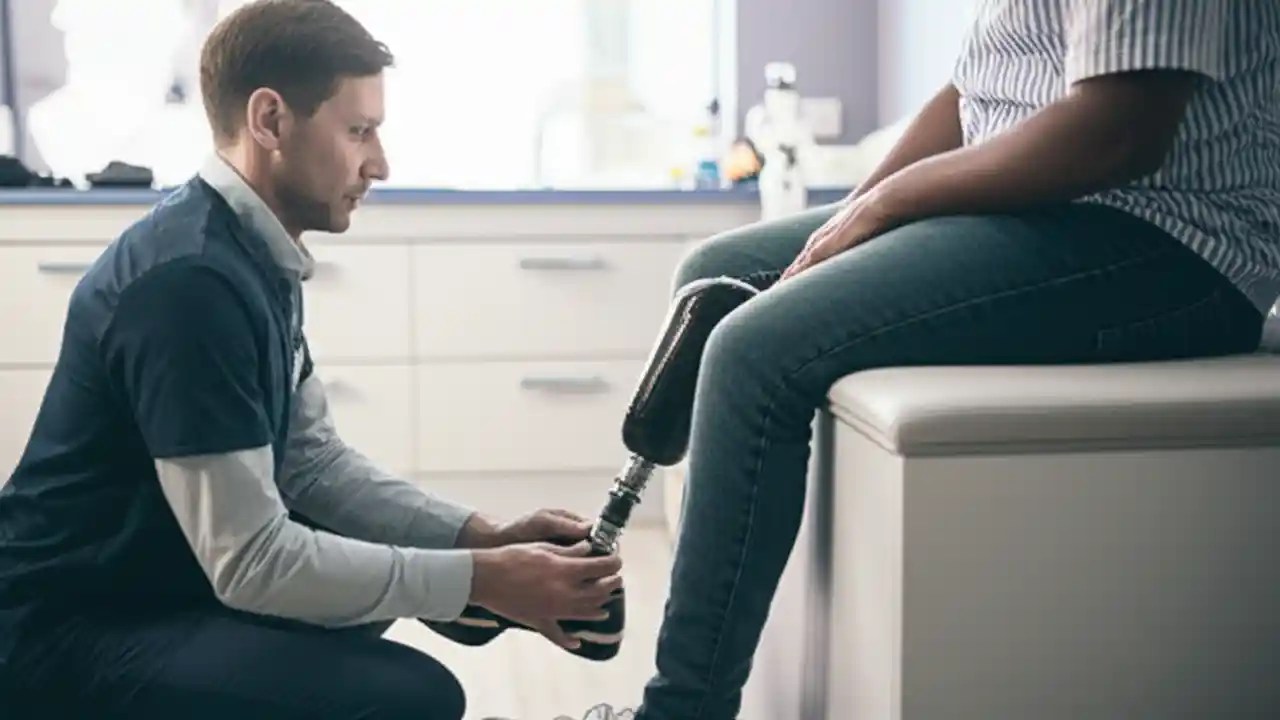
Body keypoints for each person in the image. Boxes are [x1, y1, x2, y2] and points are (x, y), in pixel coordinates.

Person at [631, 1, 1279, 719]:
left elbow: (1120, 129)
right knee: (714, 273)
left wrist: (890, 207)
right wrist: (855, 215)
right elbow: (976, 90)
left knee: (752, 350)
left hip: (1164, 238)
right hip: (1027, 205)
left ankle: (679, 710)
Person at [0, 2, 622, 718]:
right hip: (64, 635)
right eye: (358, 131)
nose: (379, 163)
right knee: (415, 699)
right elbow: (253, 562)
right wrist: (480, 580)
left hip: (154, 583)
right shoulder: (188, 285)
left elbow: (311, 462)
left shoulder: (249, 249)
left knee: (355, 579)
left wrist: (477, 537)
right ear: (270, 121)